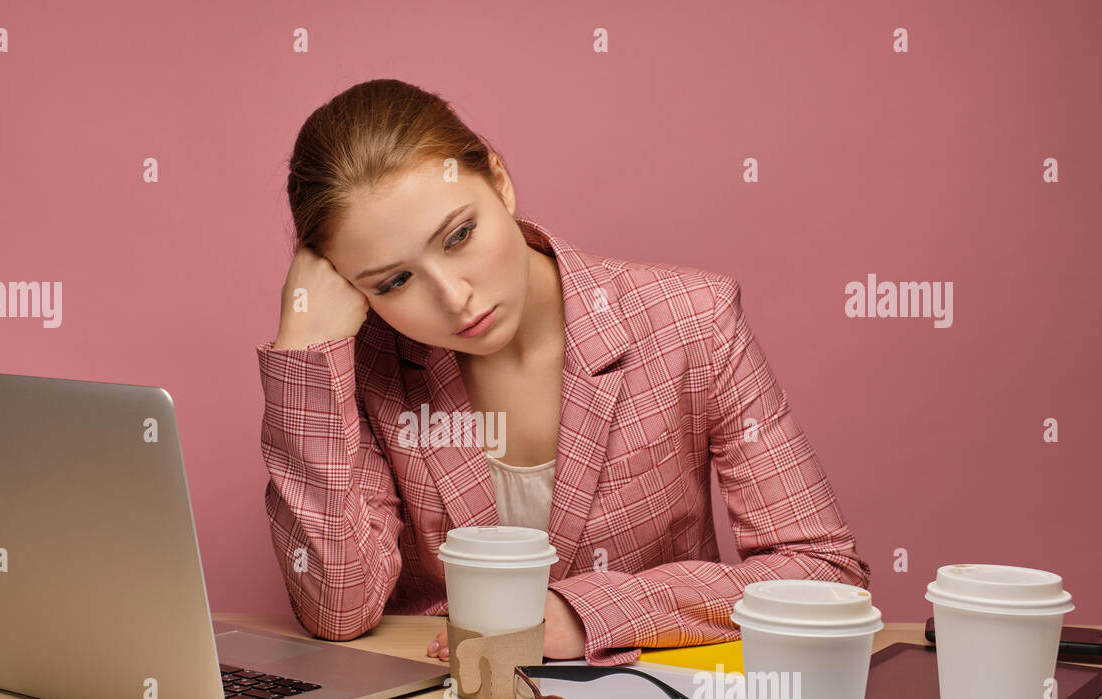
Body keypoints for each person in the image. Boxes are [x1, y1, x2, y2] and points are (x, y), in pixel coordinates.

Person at [257, 78, 870, 668]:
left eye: (460, 235)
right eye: (394, 281)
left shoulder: (693, 320)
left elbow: (822, 571)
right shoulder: (361, 369)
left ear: (499, 180)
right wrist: (304, 356)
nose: (453, 296)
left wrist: (591, 612)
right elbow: (337, 610)